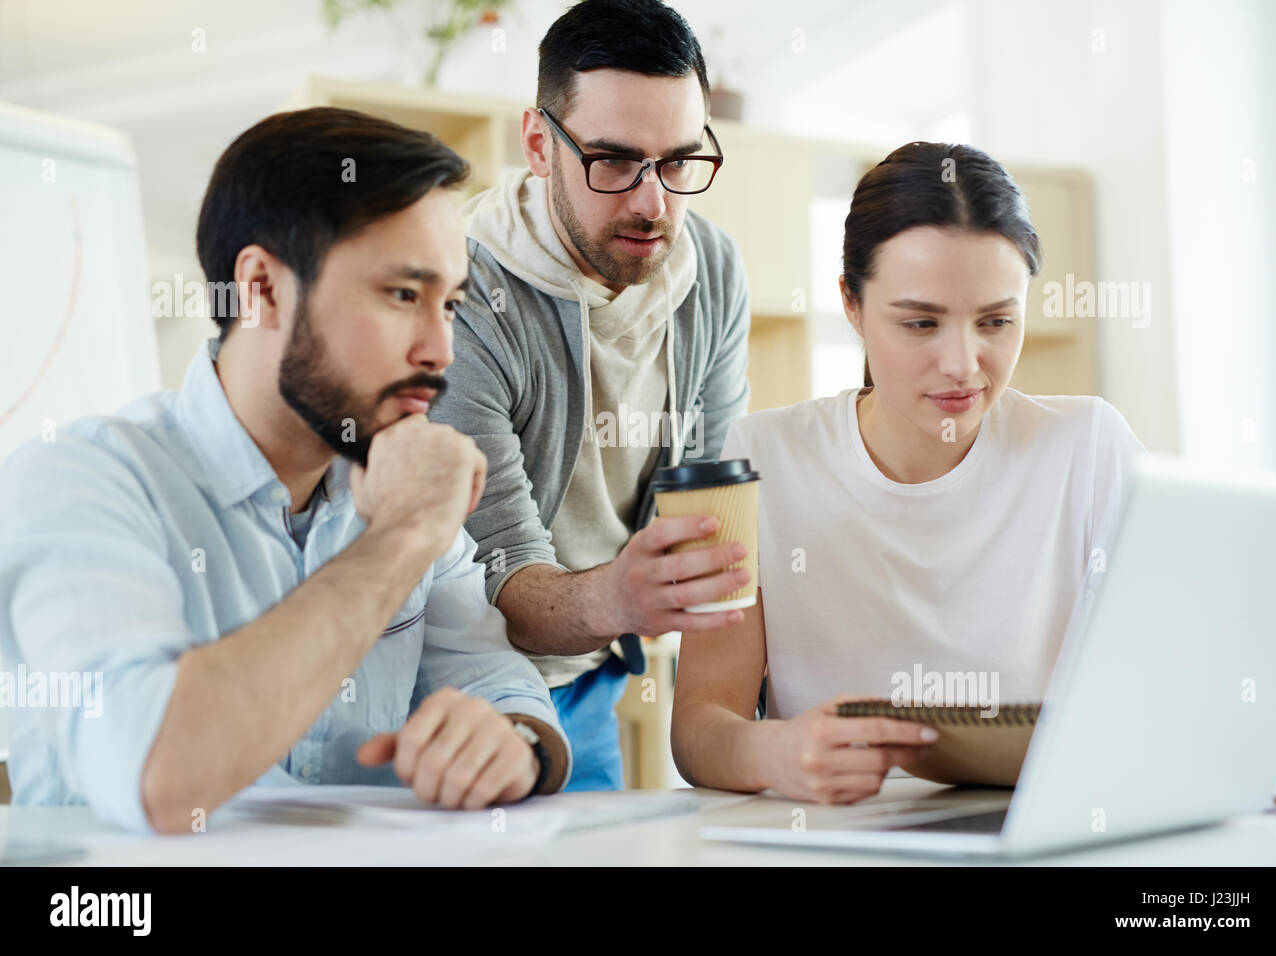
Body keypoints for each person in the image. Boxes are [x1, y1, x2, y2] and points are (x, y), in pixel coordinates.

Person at [0, 107, 570, 834]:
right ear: (262, 289)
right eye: (403, 295)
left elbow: (499, 684)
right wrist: (398, 541)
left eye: (450, 304)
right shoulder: (76, 483)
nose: (440, 351)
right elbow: (159, 777)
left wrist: (515, 745)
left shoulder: (392, 480)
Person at [671, 142, 1147, 804]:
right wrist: (771, 750)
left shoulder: (1089, 449)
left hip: (1041, 829)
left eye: (996, 321)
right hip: (839, 836)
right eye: (921, 323)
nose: (962, 363)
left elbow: (1154, 695)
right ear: (852, 304)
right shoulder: (757, 456)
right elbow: (699, 726)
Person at [431, 0, 751, 790]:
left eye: (679, 161)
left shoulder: (710, 267)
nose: (654, 204)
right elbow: (491, 576)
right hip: (471, 694)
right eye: (612, 161)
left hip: (595, 672)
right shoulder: (459, 293)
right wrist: (624, 595)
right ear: (539, 144)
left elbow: (715, 498)